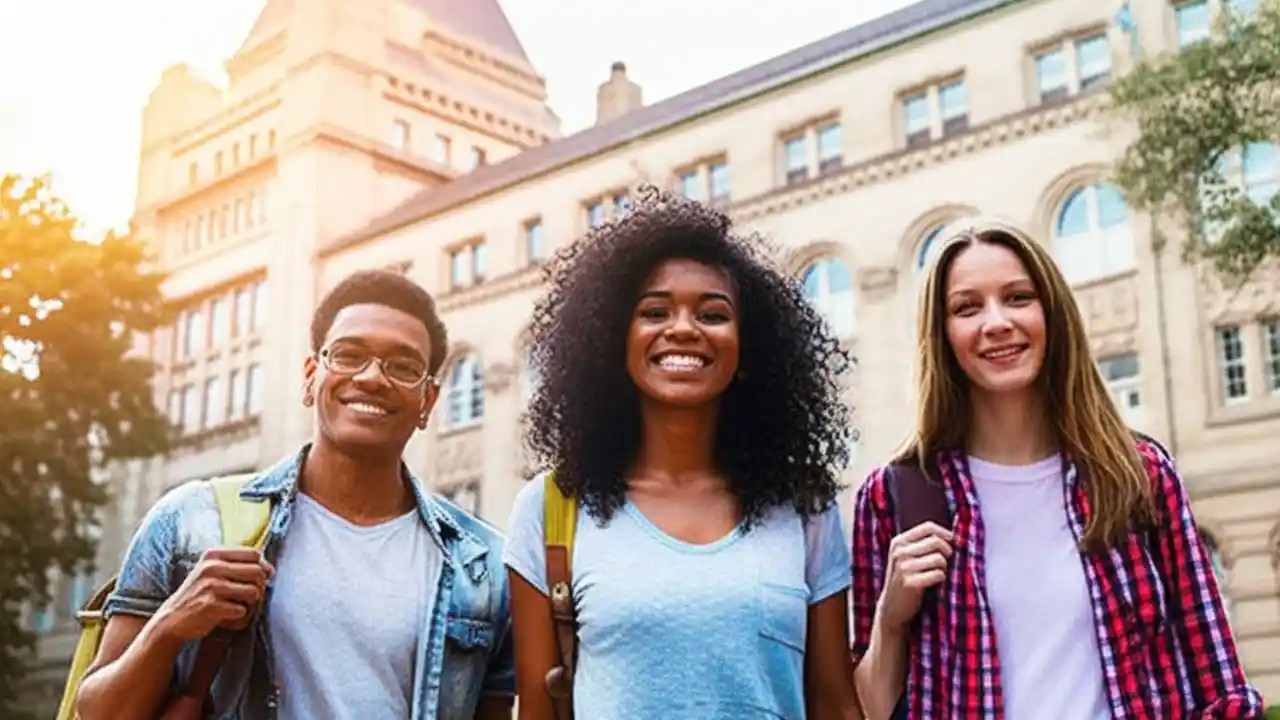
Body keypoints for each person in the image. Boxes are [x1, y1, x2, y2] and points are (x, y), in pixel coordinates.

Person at [850, 218, 1265, 718]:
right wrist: (890, 620)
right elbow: (871, 709)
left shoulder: (1138, 476)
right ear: (942, 335)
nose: (997, 321)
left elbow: (1221, 687)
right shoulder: (896, 497)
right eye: (967, 307)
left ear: (1052, 313)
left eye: (1018, 297)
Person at [76, 270, 514, 719]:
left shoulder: (483, 569)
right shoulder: (192, 521)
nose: (371, 377)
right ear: (310, 377)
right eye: (348, 355)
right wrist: (170, 625)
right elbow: (96, 713)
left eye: (402, 367)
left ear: (428, 401)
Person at [502, 186, 863, 720]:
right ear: (612, 342)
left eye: (713, 314)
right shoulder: (552, 506)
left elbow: (834, 704)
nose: (683, 329)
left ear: (748, 348)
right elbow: (536, 709)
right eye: (655, 311)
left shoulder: (802, 504)